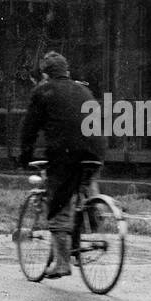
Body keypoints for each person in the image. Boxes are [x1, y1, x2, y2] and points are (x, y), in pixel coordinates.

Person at [18, 51, 102, 279]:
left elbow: (29, 128)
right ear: (66, 71)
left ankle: (63, 263)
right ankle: (94, 210)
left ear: (45, 74)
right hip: (94, 152)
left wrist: (24, 155)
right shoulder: (84, 90)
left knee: (58, 204)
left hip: (65, 154)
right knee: (83, 183)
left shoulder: (43, 91)